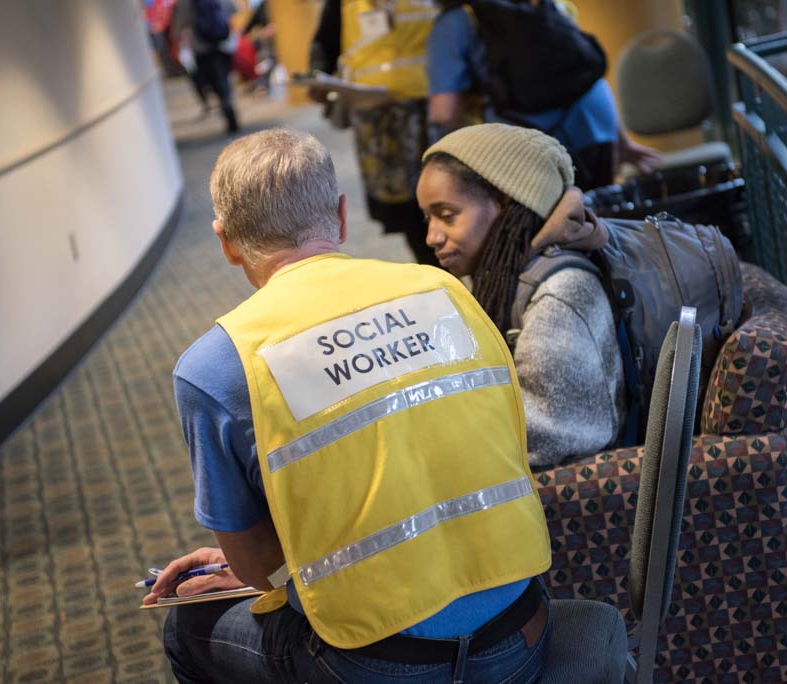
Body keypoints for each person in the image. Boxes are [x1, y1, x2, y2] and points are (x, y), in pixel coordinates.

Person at [148, 128, 554, 683]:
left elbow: (259, 568)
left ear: (226, 241)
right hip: (522, 633)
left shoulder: (216, 365)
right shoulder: (443, 291)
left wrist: (247, 564)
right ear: (341, 217)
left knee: (187, 631)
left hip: (379, 665)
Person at [418, 123, 625, 466]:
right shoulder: (498, 274)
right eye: (428, 218)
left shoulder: (560, 294)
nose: (432, 237)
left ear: (504, 202)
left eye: (447, 216)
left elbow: (557, 431)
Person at [425, 0, 660, 190]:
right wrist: (624, 143)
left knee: (555, 231)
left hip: (528, 144)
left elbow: (445, 111)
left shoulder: (455, 22)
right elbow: (586, 75)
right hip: (596, 124)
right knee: (602, 216)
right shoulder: (546, 4)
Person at [307, 0, 440, 266]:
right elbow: (325, 43)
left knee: (447, 196)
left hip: (434, 112)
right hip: (377, 121)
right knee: (406, 211)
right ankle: (434, 271)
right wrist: (317, 78)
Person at [172, 0, 240, 133]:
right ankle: (228, 104)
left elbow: (178, 30)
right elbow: (233, 12)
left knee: (212, 82)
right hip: (222, 45)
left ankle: (222, 104)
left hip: (200, 49)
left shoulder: (182, 4)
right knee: (223, 79)